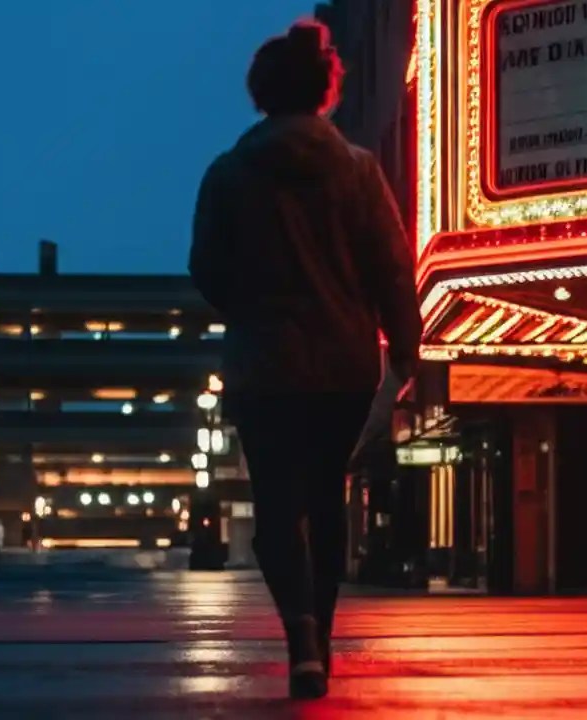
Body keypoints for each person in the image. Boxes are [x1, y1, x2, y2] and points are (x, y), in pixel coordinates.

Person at [189, 20, 421, 700]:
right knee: (326, 499)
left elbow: (206, 267)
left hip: (265, 365)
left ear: (259, 92)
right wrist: (404, 351)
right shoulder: (358, 171)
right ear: (326, 89)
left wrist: (251, 306)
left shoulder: (229, 174)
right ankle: (322, 632)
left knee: (276, 508)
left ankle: (301, 639)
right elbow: (391, 268)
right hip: (346, 363)